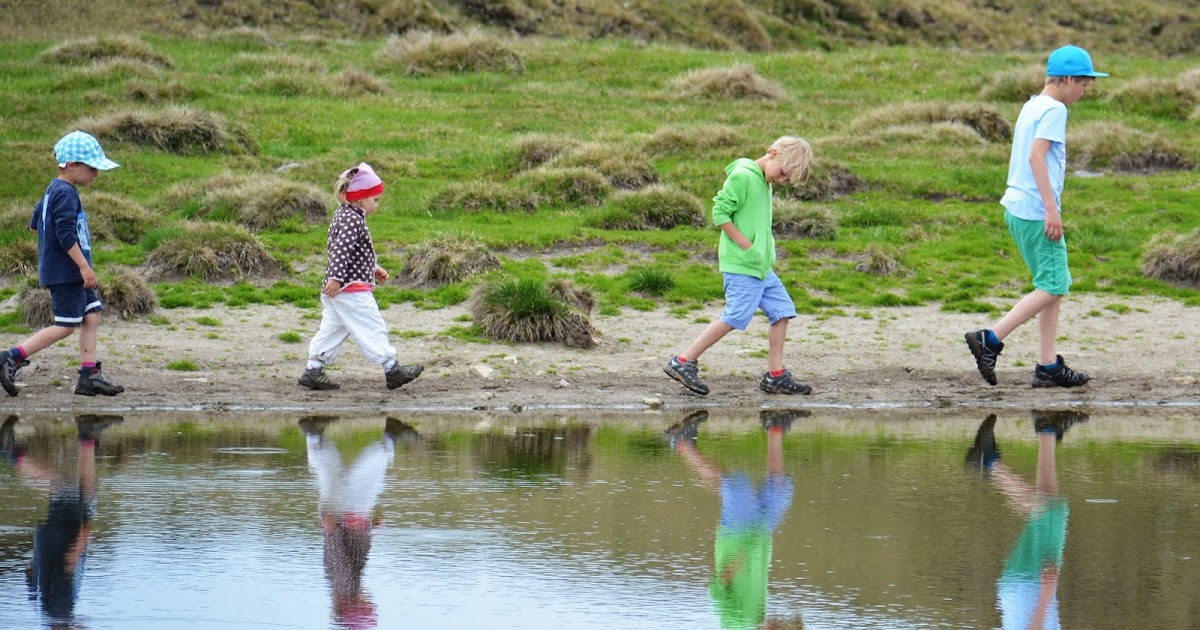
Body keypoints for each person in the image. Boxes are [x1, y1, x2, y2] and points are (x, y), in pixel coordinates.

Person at [965, 45, 1108, 389]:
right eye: (1084, 83)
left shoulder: (1032, 105)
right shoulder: (1055, 110)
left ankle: (1047, 366)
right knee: (1056, 284)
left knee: (1050, 285)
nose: (1085, 90)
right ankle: (991, 339)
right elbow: (1036, 157)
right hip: (1034, 211)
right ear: (1069, 78)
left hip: (1016, 207)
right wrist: (1051, 209)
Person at [663, 137, 814, 397]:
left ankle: (775, 375)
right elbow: (720, 214)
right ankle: (683, 361)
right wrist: (747, 247)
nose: (782, 181)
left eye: (787, 181)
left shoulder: (764, 181)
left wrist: (761, 254)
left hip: (762, 268)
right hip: (743, 266)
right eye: (783, 174)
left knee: (782, 311)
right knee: (735, 316)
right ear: (772, 154)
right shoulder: (743, 176)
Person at [1, 131, 124, 397]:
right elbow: (65, 233)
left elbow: (35, 223)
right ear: (71, 165)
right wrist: (83, 266)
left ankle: (88, 375)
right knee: (66, 325)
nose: (96, 174)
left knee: (91, 315)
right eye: (92, 168)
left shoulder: (53, 190)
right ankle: (11, 357)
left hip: (68, 271)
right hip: (67, 272)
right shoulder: (65, 193)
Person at [664, 409, 804, 628]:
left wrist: (732, 568)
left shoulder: (737, 624)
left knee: (735, 486)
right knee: (780, 489)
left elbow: (716, 591)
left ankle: (682, 443)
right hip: (761, 534)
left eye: (781, 624)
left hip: (737, 537)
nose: (777, 619)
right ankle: (774, 427)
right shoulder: (757, 619)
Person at [298, 163, 423, 391]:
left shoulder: (346, 215)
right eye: (375, 199)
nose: (377, 204)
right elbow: (340, 249)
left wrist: (373, 268)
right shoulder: (352, 219)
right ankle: (391, 368)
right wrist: (336, 278)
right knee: (371, 326)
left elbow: (355, 253)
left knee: (333, 328)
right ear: (359, 198)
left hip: (341, 288)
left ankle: (313, 370)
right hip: (350, 289)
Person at [965, 410, 1086, 629]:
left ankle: (989, 464)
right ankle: (1047, 430)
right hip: (1020, 589)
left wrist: (1046, 593)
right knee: (1048, 504)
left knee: (1051, 512)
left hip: (1028, 587)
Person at [299, 415, 419, 629]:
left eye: (367, 605)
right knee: (332, 474)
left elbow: (337, 556)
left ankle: (390, 438)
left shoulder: (345, 584)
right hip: (350, 519)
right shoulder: (348, 586)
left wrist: (330, 528)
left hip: (347, 515)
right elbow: (353, 550)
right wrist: (370, 526)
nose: (369, 600)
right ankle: (315, 437)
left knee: (366, 475)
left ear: (352, 605)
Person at [5, 414, 123, 627]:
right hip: (52, 536)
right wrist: (43, 554)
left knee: (62, 484)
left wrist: (84, 534)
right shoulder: (47, 611)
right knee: (88, 495)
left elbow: (67, 564)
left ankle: (10, 454)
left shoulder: (61, 608)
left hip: (65, 533)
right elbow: (30, 575)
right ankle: (87, 434)